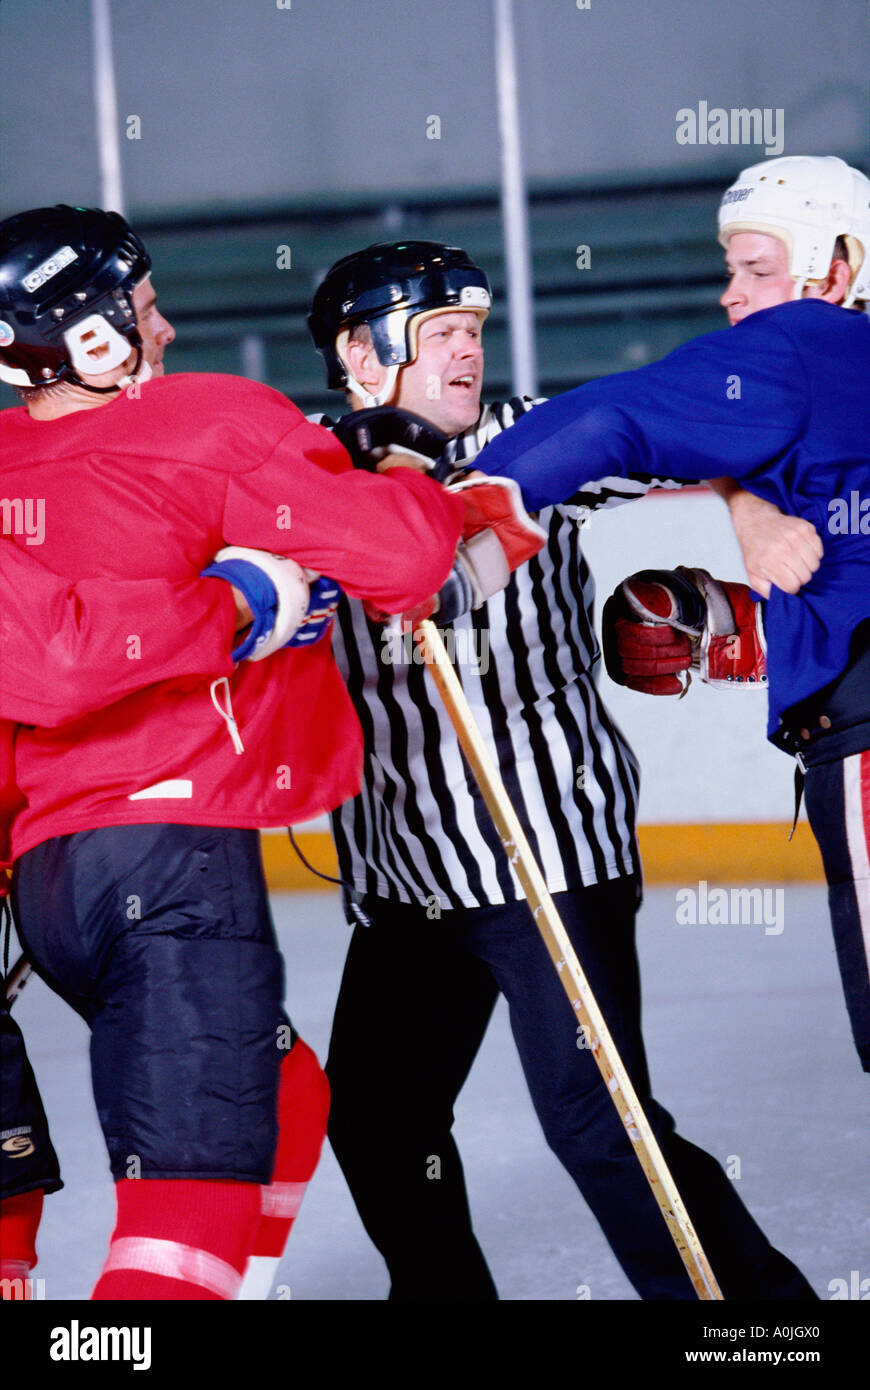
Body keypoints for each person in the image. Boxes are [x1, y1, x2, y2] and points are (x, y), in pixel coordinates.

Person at [303, 240, 816, 1299]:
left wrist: (747, 510)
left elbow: (687, 430)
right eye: (439, 332)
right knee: (377, 1115)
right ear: (361, 353)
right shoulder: (304, 471)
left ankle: (761, 1323)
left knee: (601, 1123)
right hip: (410, 877)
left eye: (473, 333)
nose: (465, 355)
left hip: (547, 854)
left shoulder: (524, 438)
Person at [0, 204, 468, 1300]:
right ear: (95, 334)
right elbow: (407, 564)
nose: (163, 328)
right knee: (178, 1242)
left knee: (288, 1086)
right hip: (170, 865)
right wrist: (397, 465)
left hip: (54, 883)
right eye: (146, 308)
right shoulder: (206, 419)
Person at [474, 154, 870, 1090]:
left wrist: (464, 523)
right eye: (729, 271)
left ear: (837, 270)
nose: (732, 295)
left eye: (758, 270)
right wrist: (744, 506)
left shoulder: (801, 343)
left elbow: (614, 416)